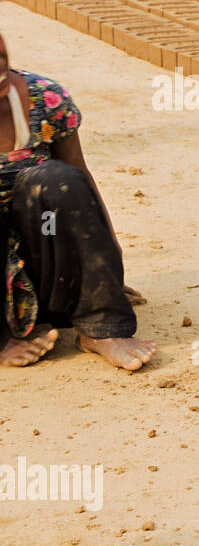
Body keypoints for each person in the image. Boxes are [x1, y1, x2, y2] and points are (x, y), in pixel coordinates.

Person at [0, 32, 155, 369]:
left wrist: (103, 274)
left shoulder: (44, 98)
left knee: (59, 180)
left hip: (41, 261)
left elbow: (79, 181)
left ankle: (100, 328)